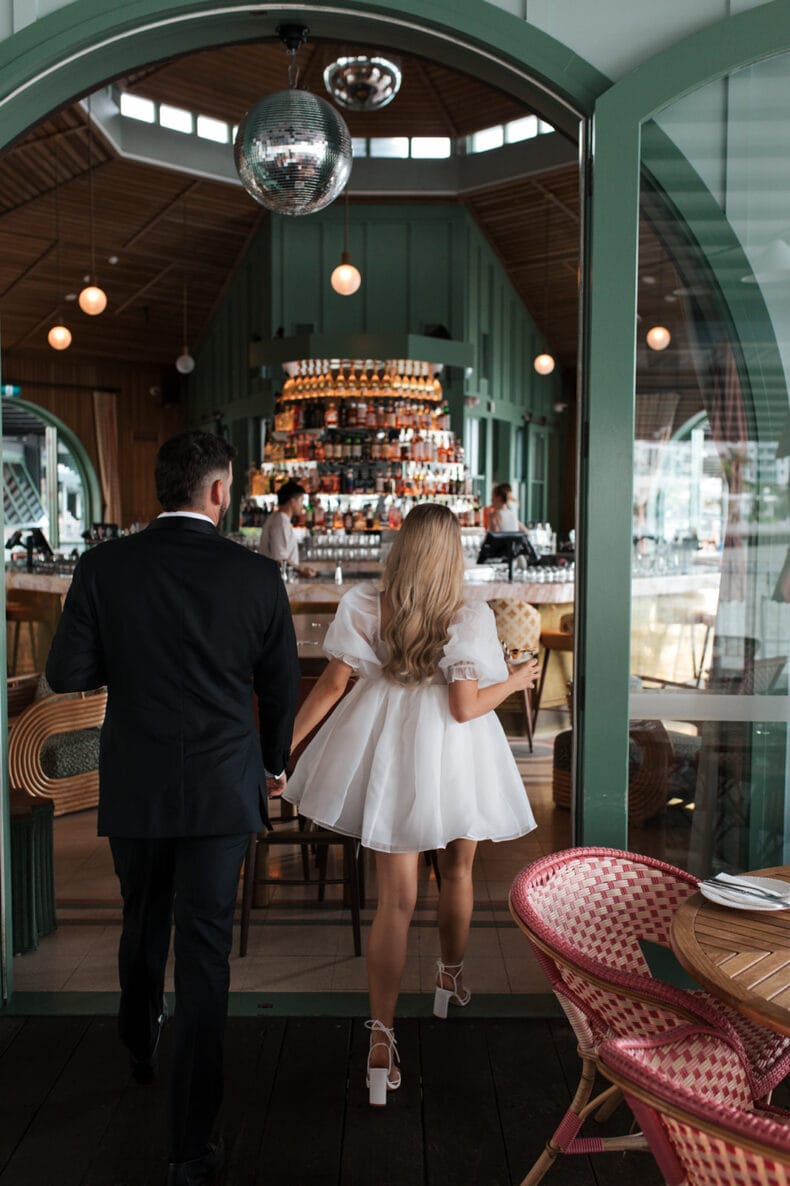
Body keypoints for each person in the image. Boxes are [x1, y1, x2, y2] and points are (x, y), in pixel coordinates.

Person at [46, 430, 300, 1186]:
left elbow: (66, 673)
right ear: (219, 491)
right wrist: (273, 764)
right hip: (224, 787)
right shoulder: (258, 576)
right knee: (204, 953)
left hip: (135, 781)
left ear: (163, 487)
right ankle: (191, 1145)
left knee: (142, 914)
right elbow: (281, 685)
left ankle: (137, 1042)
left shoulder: (104, 566)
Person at [281, 503, 539, 1107]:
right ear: (451, 553)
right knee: (458, 870)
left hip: (388, 750)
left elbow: (330, 687)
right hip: (456, 757)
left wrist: (282, 752)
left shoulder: (367, 604)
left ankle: (380, 1040)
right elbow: (465, 707)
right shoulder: (468, 614)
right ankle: (449, 979)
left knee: (394, 903)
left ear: (401, 547)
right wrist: (520, 679)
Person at [258, 479, 317, 578]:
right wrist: (301, 570)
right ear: (293, 501)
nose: (303, 505)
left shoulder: (278, 518)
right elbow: (279, 560)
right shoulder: (280, 522)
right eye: (301, 500)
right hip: (278, 580)